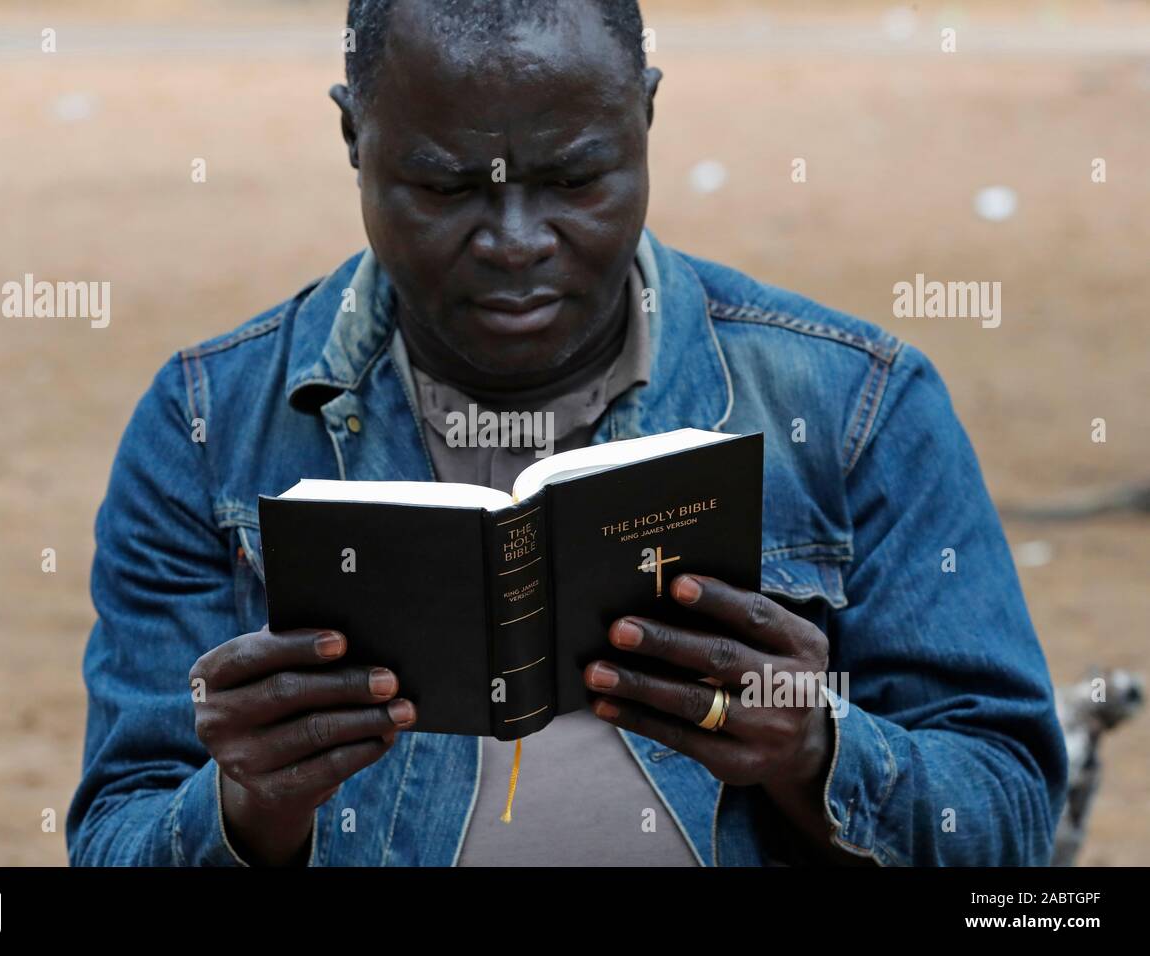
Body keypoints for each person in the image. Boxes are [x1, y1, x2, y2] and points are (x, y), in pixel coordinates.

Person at [66, 0, 1066, 867]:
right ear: (353, 141)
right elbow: (118, 830)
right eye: (448, 188)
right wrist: (247, 808)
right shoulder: (208, 424)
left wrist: (816, 748)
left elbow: (1010, 812)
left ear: (647, 119)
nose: (514, 241)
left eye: (576, 179)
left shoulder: (850, 403)